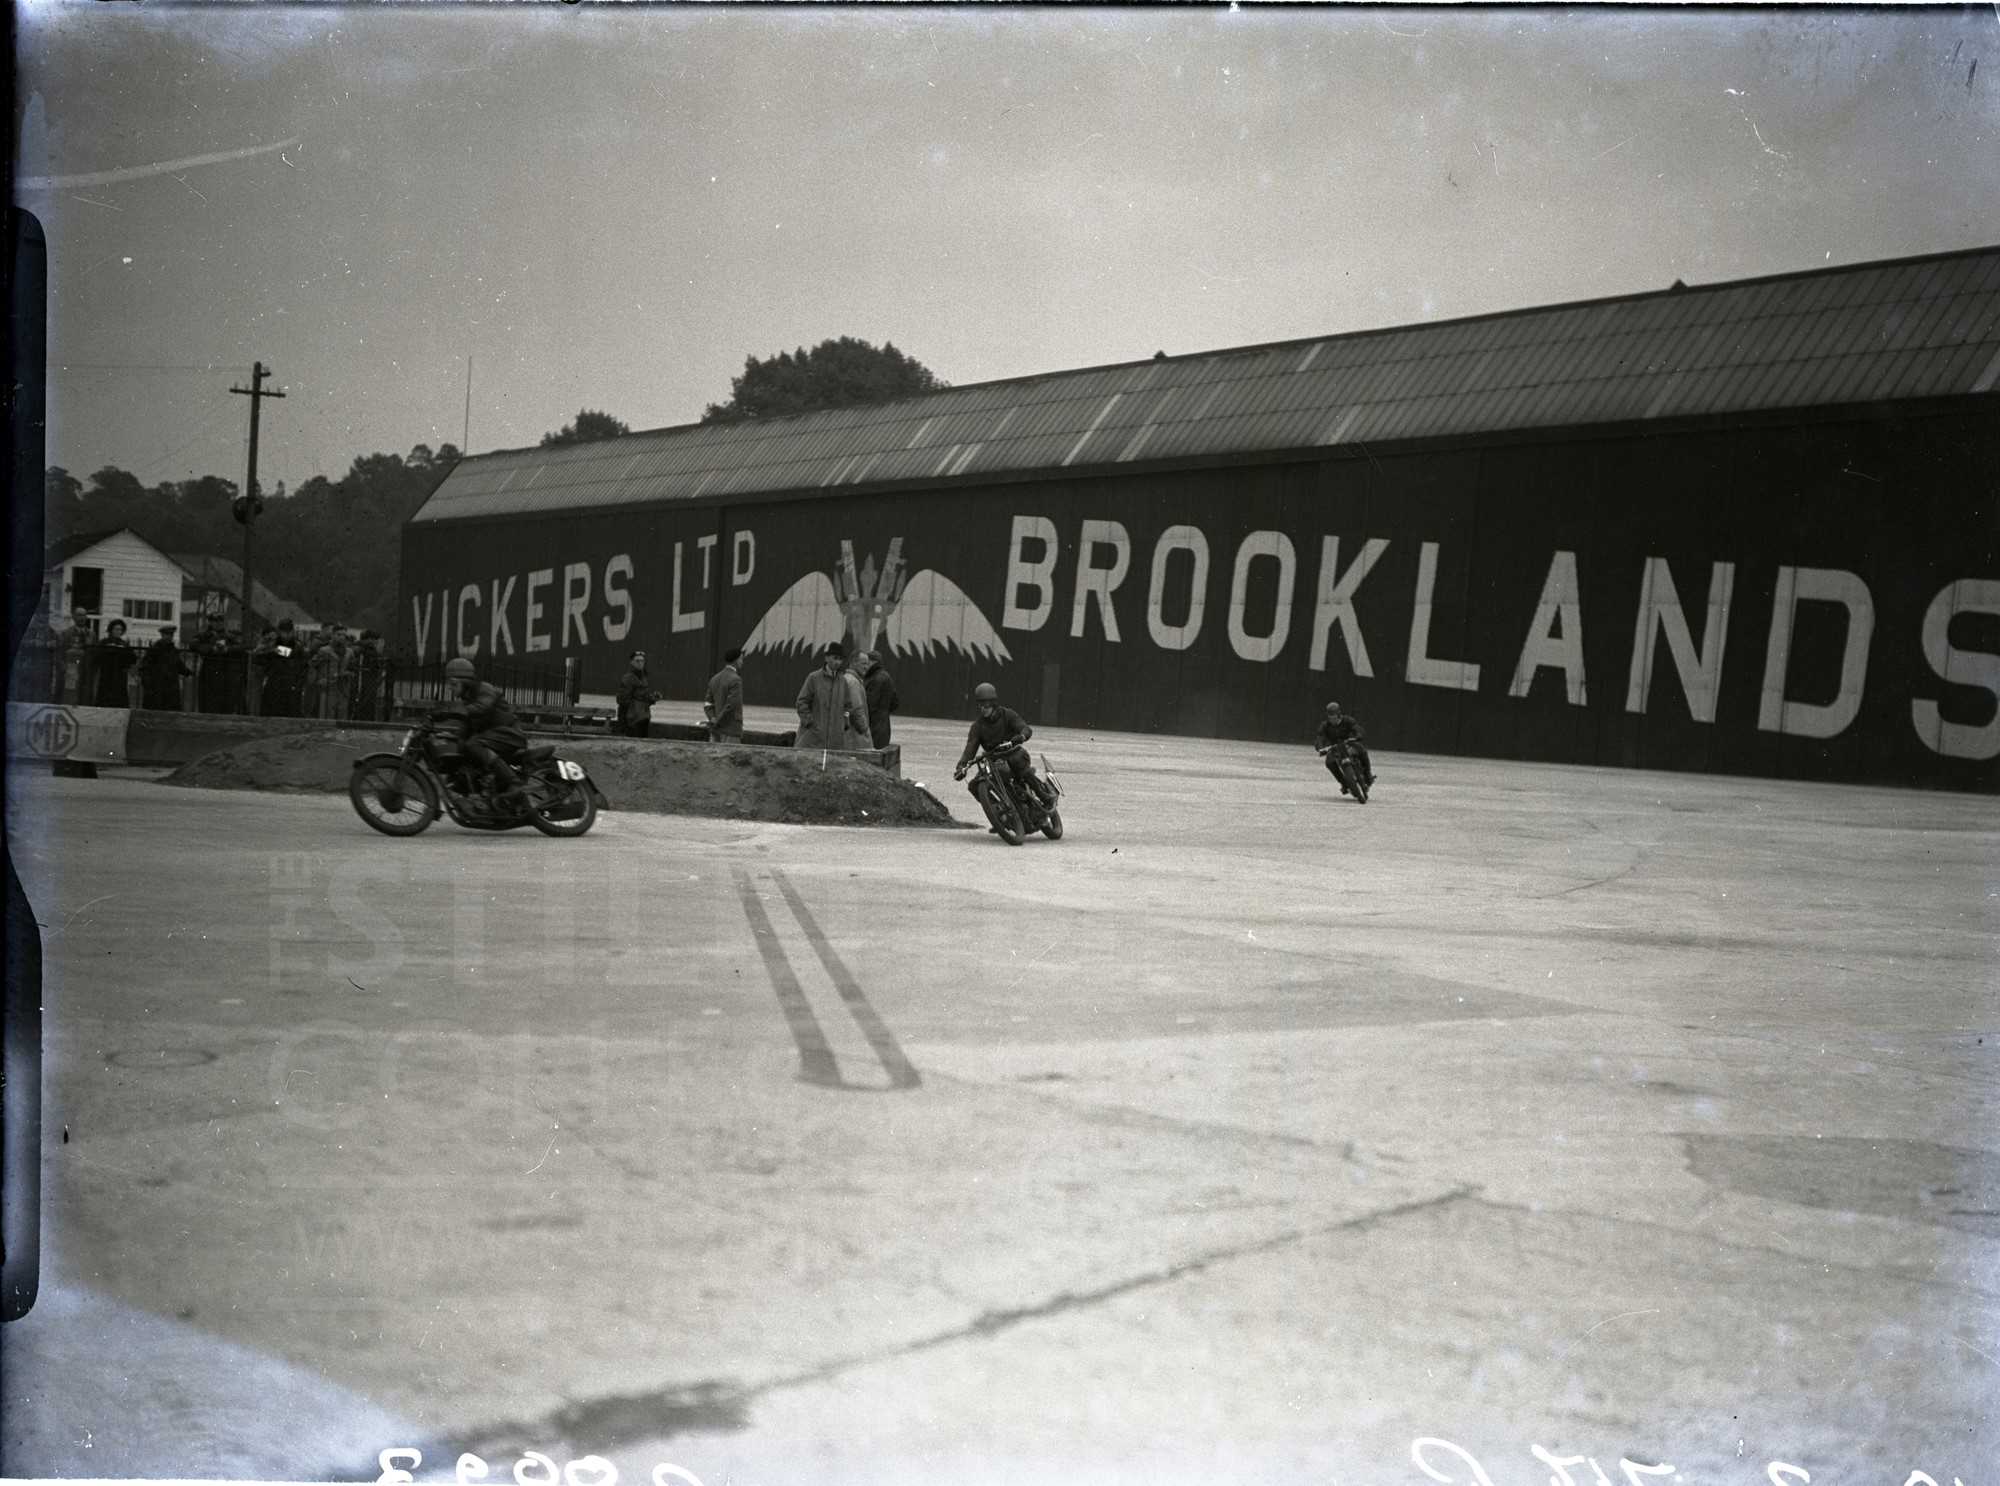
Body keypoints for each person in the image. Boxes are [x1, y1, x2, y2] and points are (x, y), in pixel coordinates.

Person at [952, 681, 1055, 811]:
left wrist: (1021, 737)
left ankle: (1044, 796)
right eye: (980, 705)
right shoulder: (977, 727)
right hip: (994, 760)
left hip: (1014, 752)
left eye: (986, 705)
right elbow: (970, 749)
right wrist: (961, 767)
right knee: (974, 786)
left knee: (1019, 765)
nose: (983, 708)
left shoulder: (1008, 715)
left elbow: (1025, 728)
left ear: (993, 703)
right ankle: (997, 811)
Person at [445, 655, 528, 807]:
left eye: (453, 684)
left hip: (510, 734)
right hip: (493, 736)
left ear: (465, 682)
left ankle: (514, 783)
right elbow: (467, 726)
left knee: (474, 744)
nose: (450, 688)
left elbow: (483, 707)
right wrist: (453, 738)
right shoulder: (468, 699)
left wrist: (453, 712)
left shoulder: (485, 689)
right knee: (463, 747)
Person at [794, 641, 869, 750]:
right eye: (835, 658)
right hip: (813, 740)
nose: (837, 662)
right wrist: (810, 723)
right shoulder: (814, 678)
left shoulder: (843, 681)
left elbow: (848, 706)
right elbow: (801, 702)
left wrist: (845, 722)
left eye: (840, 659)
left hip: (835, 741)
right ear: (827, 658)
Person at [1314, 701, 1375, 792]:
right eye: (1330, 717)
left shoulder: (1348, 720)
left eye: (1334, 717)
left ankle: (1367, 774)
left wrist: (1358, 736)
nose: (1332, 720)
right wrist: (1320, 748)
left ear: (1339, 714)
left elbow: (1357, 728)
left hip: (1350, 744)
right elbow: (1320, 737)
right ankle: (1344, 783)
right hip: (1335, 748)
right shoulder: (1325, 726)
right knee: (1329, 762)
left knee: (1362, 750)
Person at [257, 619, 306, 717]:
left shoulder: (297, 645)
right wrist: (265, 647)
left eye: (288, 632)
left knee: (290, 712)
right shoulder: (272, 643)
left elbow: (291, 653)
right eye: (283, 632)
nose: (286, 635)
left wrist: (273, 650)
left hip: (290, 682)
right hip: (274, 681)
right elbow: (258, 656)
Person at [856, 649, 900, 750]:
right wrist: (883, 712)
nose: (865, 666)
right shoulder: (886, 676)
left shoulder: (874, 678)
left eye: (867, 662)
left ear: (874, 662)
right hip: (884, 726)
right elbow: (895, 702)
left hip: (873, 726)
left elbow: (869, 705)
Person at [140, 625, 189, 710]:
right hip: (157, 685)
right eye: (167, 635)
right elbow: (145, 666)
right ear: (162, 635)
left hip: (171, 686)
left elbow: (178, 664)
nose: (169, 637)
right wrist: (147, 683)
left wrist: (187, 671)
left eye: (171, 635)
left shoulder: (173, 649)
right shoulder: (155, 649)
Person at [90, 619, 137, 708]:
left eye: (120, 630)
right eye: (116, 629)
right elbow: (97, 657)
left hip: (119, 675)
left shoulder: (124, 644)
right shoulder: (104, 642)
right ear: (111, 630)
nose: (118, 632)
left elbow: (132, 659)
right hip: (106, 674)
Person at [616, 650, 662, 737]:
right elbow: (622, 700)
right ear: (631, 662)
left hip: (643, 718)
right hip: (632, 720)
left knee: (641, 744)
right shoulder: (628, 678)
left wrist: (652, 698)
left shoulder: (643, 677)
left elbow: (642, 697)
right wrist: (636, 707)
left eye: (642, 661)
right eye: (637, 661)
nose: (640, 663)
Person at [704, 647, 745, 742]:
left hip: (715, 730)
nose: (742, 661)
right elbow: (731, 705)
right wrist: (718, 720)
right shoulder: (736, 679)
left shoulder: (714, 679)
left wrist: (713, 719)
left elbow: (707, 704)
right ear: (736, 660)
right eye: (741, 659)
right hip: (731, 729)